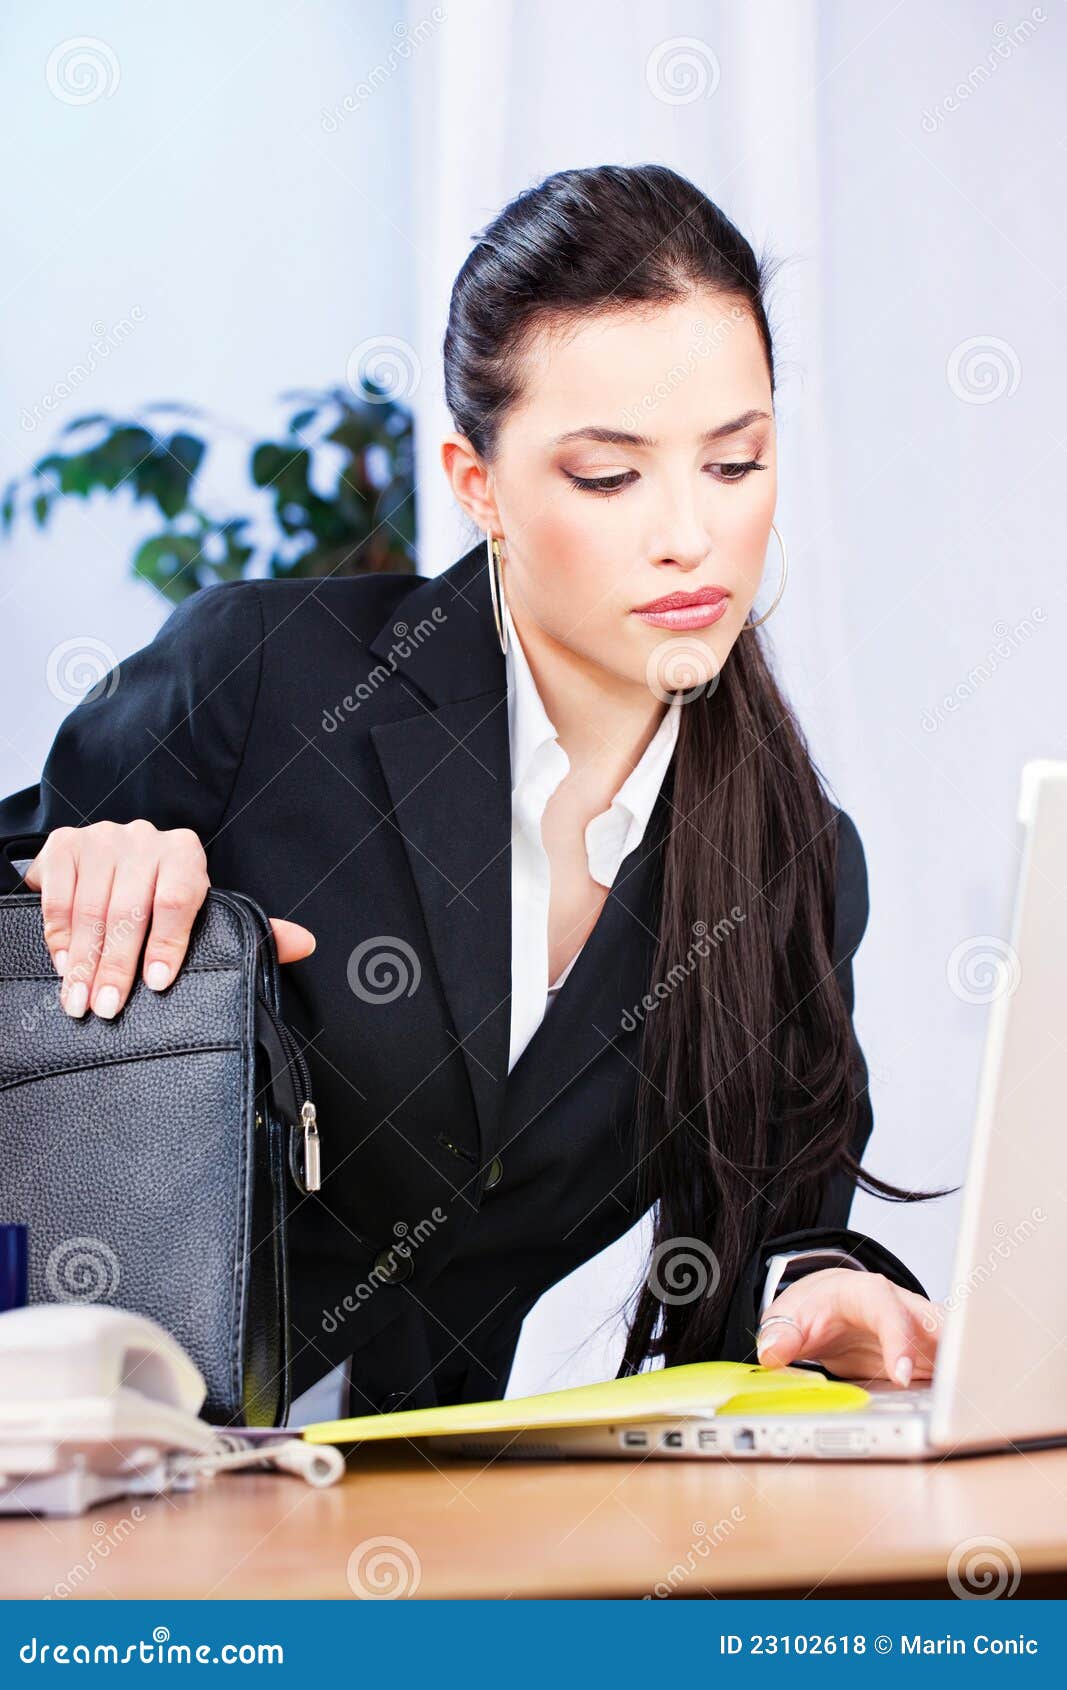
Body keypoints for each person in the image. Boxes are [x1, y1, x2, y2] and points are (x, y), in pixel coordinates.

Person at [0, 164, 948, 1416]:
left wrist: (835, 1294)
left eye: (733, 463)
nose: (688, 534)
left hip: (429, 1498)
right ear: (475, 483)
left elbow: (788, 1227)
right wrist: (65, 882)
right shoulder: (265, 674)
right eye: (608, 476)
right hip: (92, 1464)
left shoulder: (792, 858)